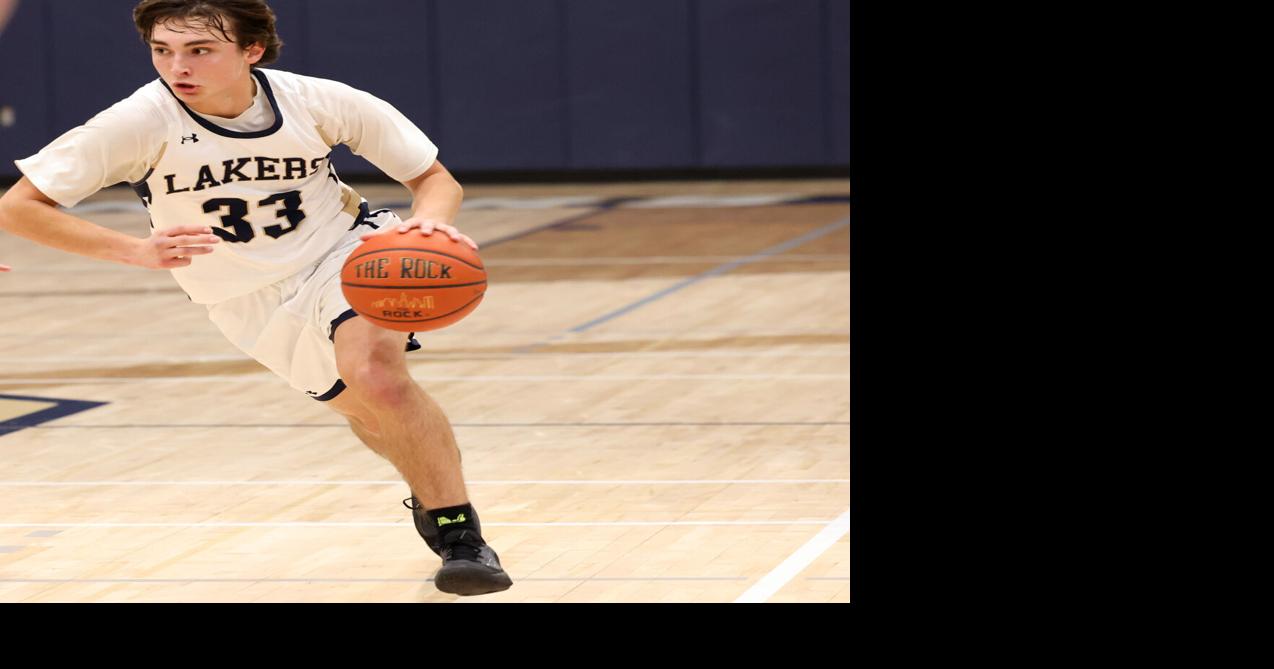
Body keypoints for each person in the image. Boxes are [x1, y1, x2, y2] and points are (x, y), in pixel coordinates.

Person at [0, 0, 512, 596]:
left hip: (343, 253)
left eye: (199, 50)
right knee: (367, 412)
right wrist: (134, 250)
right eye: (162, 50)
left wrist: (428, 229)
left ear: (252, 50)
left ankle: (461, 535)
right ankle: (432, 496)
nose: (177, 66)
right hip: (240, 296)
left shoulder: (317, 101)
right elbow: (19, 207)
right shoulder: (137, 122)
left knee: (376, 374)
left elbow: (434, 180)